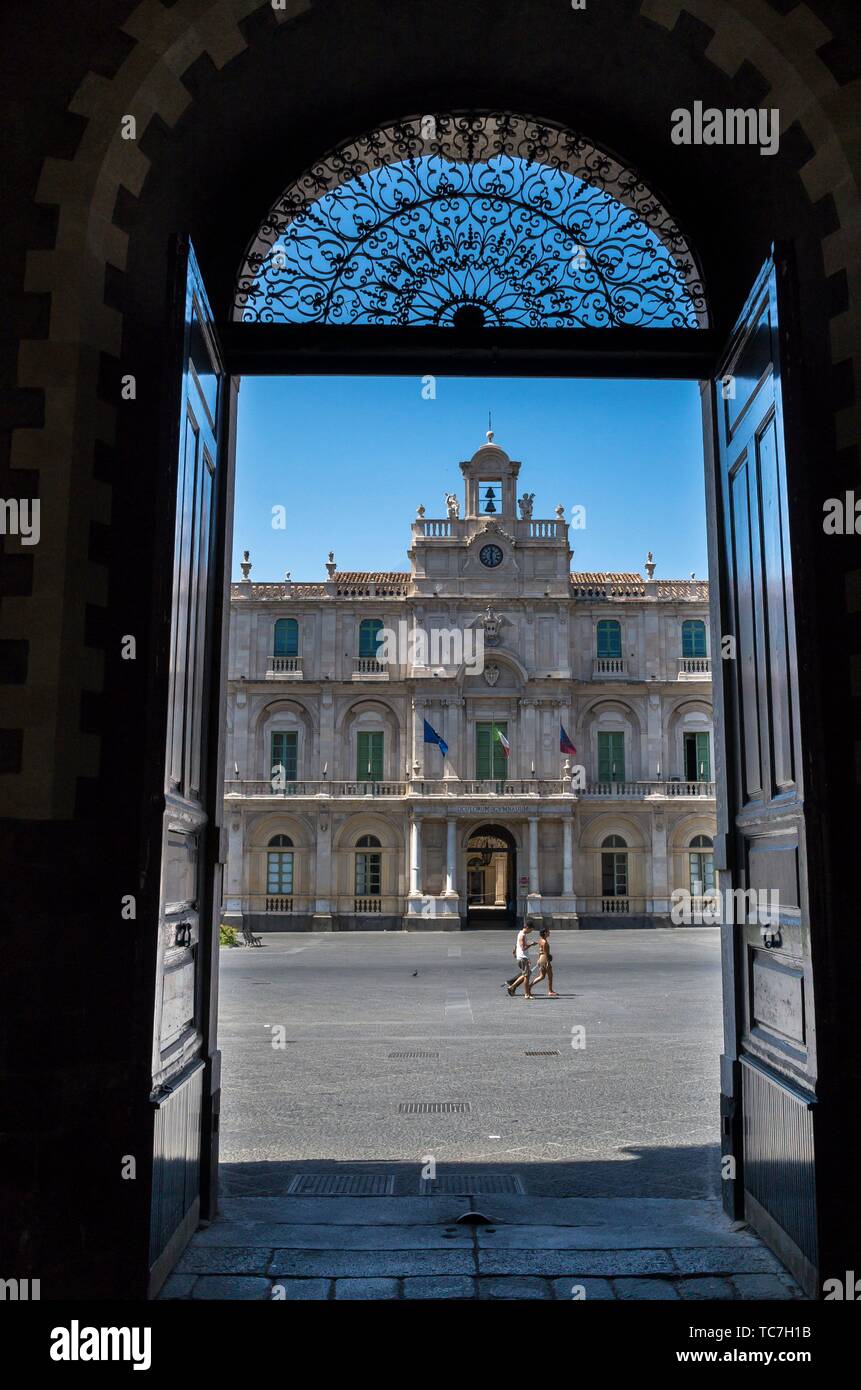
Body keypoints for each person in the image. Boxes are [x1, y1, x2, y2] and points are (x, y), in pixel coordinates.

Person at [505, 921, 538, 999]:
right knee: (526, 976)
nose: (531, 931)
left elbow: (517, 945)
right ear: (527, 927)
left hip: (523, 958)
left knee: (527, 974)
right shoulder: (522, 935)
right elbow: (523, 948)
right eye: (531, 930)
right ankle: (526, 994)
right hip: (522, 958)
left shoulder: (521, 934)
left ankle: (512, 987)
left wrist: (527, 957)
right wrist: (531, 944)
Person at [529, 927, 558, 997]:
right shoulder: (544, 942)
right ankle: (550, 991)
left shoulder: (541, 940)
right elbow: (545, 953)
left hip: (541, 959)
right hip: (545, 959)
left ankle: (529, 986)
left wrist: (538, 960)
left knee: (542, 976)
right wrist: (548, 963)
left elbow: (540, 952)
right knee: (550, 975)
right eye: (548, 931)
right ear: (545, 933)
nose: (549, 932)